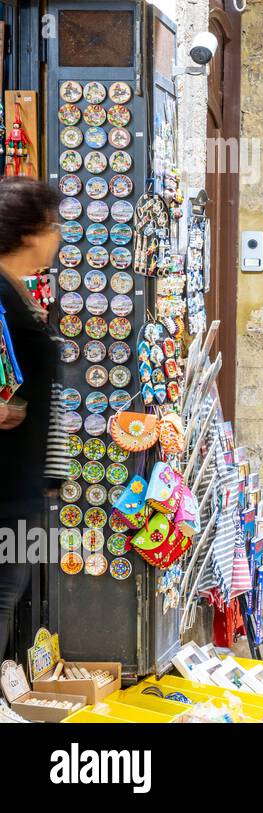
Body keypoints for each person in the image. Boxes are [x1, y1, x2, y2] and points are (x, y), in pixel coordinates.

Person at [0, 179, 60, 659]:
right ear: (28, 234)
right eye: (52, 226)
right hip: (4, 484)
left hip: (18, 482)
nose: (57, 236)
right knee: (3, 592)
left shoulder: (16, 293)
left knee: (7, 590)